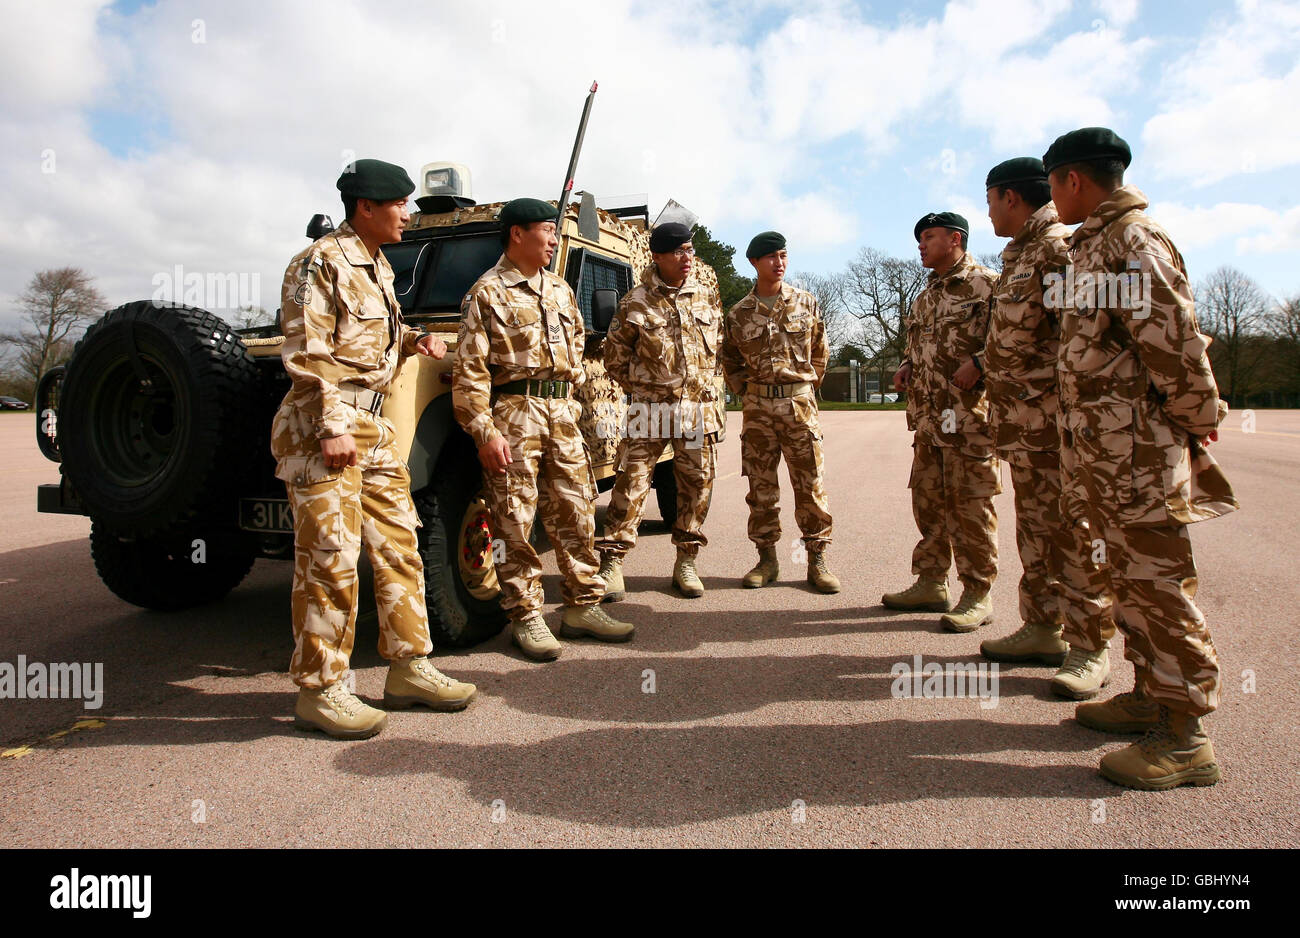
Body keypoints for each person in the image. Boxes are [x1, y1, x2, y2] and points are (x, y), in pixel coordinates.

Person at [1045, 127, 1237, 789]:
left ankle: (1186, 736)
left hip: (1139, 454)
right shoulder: (1091, 245)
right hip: (1106, 451)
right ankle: (1152, 696)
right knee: (1127, 580)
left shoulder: (1133, 241)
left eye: (1053, 184)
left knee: (1158, 585)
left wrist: (1197, 418)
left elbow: (1174, 338)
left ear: (1073, 180)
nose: (1052, 197)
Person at [273, 158, 476, 740]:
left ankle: (409, 668)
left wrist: (413, 339)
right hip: (324, 429)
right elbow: (309, 354)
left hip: (374, 430)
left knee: (400, 546)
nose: (408, 215)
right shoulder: (318, 263)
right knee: (330, 562)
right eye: (400, 204)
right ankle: (321, 690)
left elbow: (365, 339)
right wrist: (332, 425)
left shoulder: (379, 267)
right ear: (367, 206)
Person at [452, 197, 634, 661]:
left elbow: (574, 345)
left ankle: (582, 606)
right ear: (517, 234)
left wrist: (570, 402)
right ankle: (526, 616)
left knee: (575, 510)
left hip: (562, 413)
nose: (554, 239)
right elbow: (470, 372)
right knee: (515, 518)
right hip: (515, 411)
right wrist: (484, 431)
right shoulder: (486, 293)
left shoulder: (559, 290)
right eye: (546, 231)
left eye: (555, 233)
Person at [976, 158, 1118, 699]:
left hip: (1058, 427)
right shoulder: (1021, 255)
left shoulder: (1058, 249)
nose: (988, 211)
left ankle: (1089, 646)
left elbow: (1078, 338)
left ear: (1011, 198)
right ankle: (1042, 627)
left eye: (990, 199)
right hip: (1022, 428)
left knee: (1075, 535)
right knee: (1036, 532)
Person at [884, 213, 1000, 631]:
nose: (921, 244)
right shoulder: (925, 297)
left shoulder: (988, 285)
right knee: (929, 505)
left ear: (955, 239)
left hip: (968, 421)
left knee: (970, 507)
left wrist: (982, 364)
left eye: (928, 237)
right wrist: (906, 366)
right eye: (919, 238)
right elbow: (922, 348)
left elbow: (1015, 341)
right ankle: (932, 581)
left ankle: (977, 593)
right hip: (930, 422)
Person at [597, 222, 724, 600]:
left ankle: (686, 561)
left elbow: (717, 349)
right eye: (679, 252)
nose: (688, 258)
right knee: (631, 483)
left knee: (697, 485)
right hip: (648, 410)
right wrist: (645, 389)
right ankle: (613, 564)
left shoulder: (705, 296)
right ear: (658, 256)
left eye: (690, 250)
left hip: (696, 410)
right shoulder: (635, 301)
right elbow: (614, 357)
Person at [719, 231, 839, 593]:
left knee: (810, 486)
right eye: (771, 257)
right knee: (761, 488)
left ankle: (816, 561)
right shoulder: (739, 314)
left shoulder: (806, 303)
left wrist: (802, 388)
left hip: (799, 407)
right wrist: (748, 391)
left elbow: (820, 354)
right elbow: (730, 361)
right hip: (757, 411)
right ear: (755, 263)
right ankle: (766, 560)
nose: (779, 262)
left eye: (783, 255)